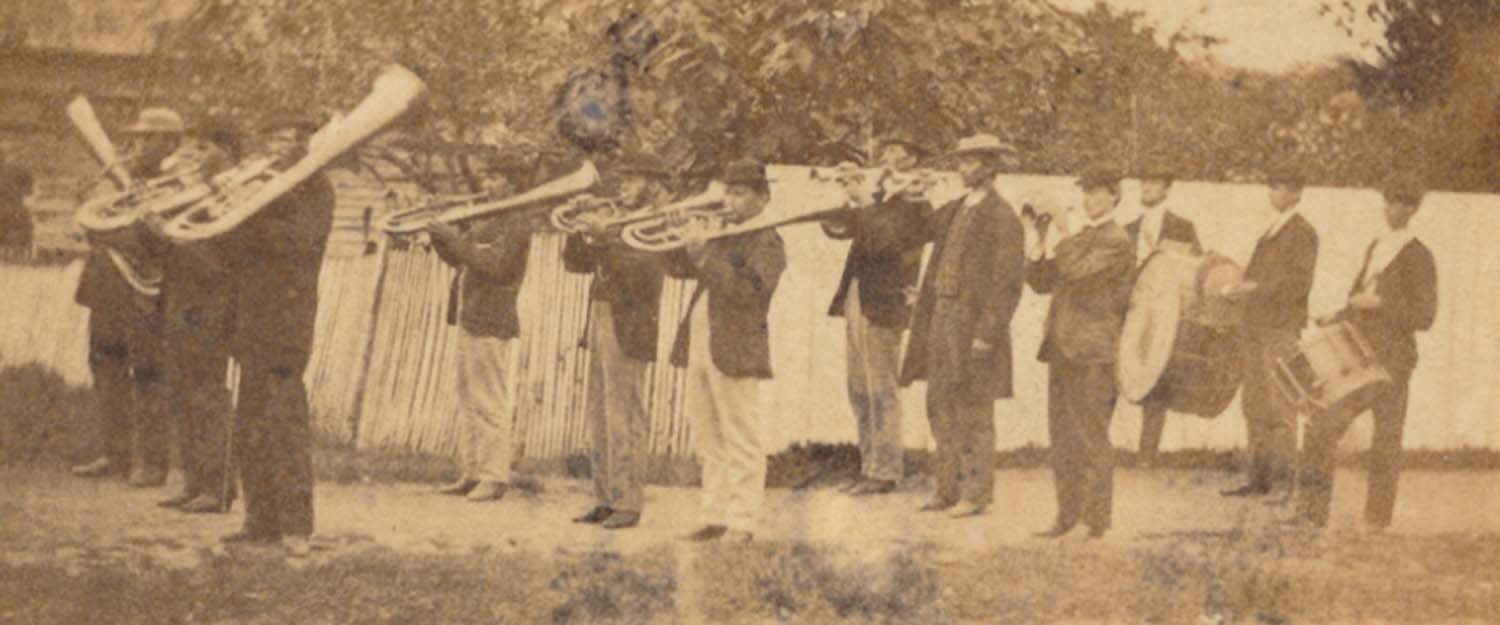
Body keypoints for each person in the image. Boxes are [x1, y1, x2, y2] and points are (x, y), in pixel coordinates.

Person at [216, 112, 335, 555]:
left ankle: (296, 526)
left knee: (284, 424)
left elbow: (296, 244)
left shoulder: (317, 191)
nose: (278, 147)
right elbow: (233, 251)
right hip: (251, 319)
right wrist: (228, 211)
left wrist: (255, 208)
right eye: (273, 138)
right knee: (250, 423)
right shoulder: (267, 192)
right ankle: (259, 519)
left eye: (288, 137)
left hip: (287, 324)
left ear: (307, 143)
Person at [1294, 175, 1437, 530]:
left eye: (1402, 203)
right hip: (1358, 355)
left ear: (1413, 209)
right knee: (1323, 425)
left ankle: (1377, 520)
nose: (1393, 209)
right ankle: (1311, 514)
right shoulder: (1377, 246)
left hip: (1393, 360)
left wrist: (1380, 303)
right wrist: (1338, 314)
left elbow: (1425, 315)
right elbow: (1358, 300)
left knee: (1386, 439)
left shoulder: (1419, 253)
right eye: (1389, 201)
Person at [898, 133, 1025, 517]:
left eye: (970, 162)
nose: (962, 168)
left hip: (973, 327)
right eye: (961, 161)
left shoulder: (1003, 217)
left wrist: (988, 334)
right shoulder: (953, 209)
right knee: (939, 405)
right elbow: (917, 232)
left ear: (990, 167)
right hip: (940, 318)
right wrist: (911, 197)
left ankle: (976, 494)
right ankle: (946, 490)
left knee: (974, 412)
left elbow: (1008, 284)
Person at [668, 159, 785, 543]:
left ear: (762, 199)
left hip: (735, 344)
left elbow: (750, 291)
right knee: (707, 435)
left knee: (740, 435)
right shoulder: (724, 234)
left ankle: (743, 521)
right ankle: (714, 514)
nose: (729, 201)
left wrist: (705, 255)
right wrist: (683, 239)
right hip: (702, 339)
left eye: (739, 193)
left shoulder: (767, 240)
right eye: (728, 192)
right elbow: (679, 271)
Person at [69, 107, 186, 487]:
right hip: (105, 286)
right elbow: (90, 225)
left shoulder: (179, 184)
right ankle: (113, 454)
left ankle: (152, 463)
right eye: (137, 136)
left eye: (148, 137)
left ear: (170, 143)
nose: (137, 144)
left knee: (148, 372)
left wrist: (123, 224)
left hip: (145, 291)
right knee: (105, 367)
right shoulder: (119, 178)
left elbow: (161, 238)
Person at [1027, 165, 1135, 539]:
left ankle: (1096, 521)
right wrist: (1037, 237)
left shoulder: (1116, 239)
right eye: (1085, 192)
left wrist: (1062, 228)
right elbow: (1041, 283)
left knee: (1091, 436)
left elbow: (1077, 274)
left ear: (1114, 197)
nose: (1087, 199)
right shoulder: (1081, 236)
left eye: (1095, 192)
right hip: (1061, 347)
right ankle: (1066, 516)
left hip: (1092, 351)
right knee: (1062, 439)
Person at [823, 130, 933, 496]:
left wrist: (865, 201)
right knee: (858, 388)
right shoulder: (881, 198)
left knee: (881, 388)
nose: (887, 155)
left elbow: (885, 242)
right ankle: (869, 464)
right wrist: (844, 196)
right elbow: (839, 231)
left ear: (913, 159)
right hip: (858, 295)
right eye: (885, 148)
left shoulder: (917, 203)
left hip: (884, 303)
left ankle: (885, 470)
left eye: (896, 148)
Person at [564, 152, 670, 529]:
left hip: (631, 322)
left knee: (625, 415)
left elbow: (644, 269)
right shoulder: (619, 219)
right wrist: (579, 229)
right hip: (601, 313)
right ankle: (605, 498)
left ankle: (629, 502)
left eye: (632, 179)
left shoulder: (661, 219)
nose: (623, 186)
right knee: (599, 415)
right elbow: (575, 264)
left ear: (653, 184)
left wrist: (604, 237)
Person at [146, 120, 240, 514]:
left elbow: (221, 265)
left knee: (207, 398)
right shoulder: (192, 195)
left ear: (227, 152)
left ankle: (216, 487)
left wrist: (171, 239)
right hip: (179, 305)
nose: (194, 158)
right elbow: (168, 252)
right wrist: (151, 231)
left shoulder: (236, 197)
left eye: (202, 150)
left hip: (212, 309)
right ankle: (193, 481)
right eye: (192, 150)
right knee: (180, 395)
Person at [428, 173, 534, 504]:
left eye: (496, 179)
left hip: (492, 317)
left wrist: (454, 238)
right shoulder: (490, 219)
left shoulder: (516, 222)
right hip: (470, 314)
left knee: (489, 400)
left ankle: (494, 476)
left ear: (513, 185)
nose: (489, 185)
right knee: (469, 398)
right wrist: (440, 238)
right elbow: (461, 260)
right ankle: (473, 472)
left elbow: (496, 266)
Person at [1221, 168, 1318, 497]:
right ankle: (1260, 479)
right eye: (1273, 187)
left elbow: (1298, 284)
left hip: (1279, 328)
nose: (1275, 193)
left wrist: (1253, 288)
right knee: (1255, 404)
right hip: (1255, 326)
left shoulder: (1303, 232)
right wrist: (1241, 288)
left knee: (1281, 405)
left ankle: (1287, 484)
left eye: (1283, 187)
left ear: (1297, 194)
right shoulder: (1269, 231)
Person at [1125, 166, 1201, 463]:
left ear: (1167, 189)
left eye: (1154, 181)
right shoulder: (1129, 228)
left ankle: (1147, 452)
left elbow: (1194, 268)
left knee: (1157, 376)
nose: (1147, 186)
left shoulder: (1182, 227)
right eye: (1144, 181)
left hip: (1165, 310)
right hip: (1132, 307)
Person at [0, 143, 35, 254]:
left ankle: (17, 249)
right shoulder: (18, 170)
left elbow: (28, 186)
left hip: (13, 208)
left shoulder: (17, 170)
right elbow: (28, 187)